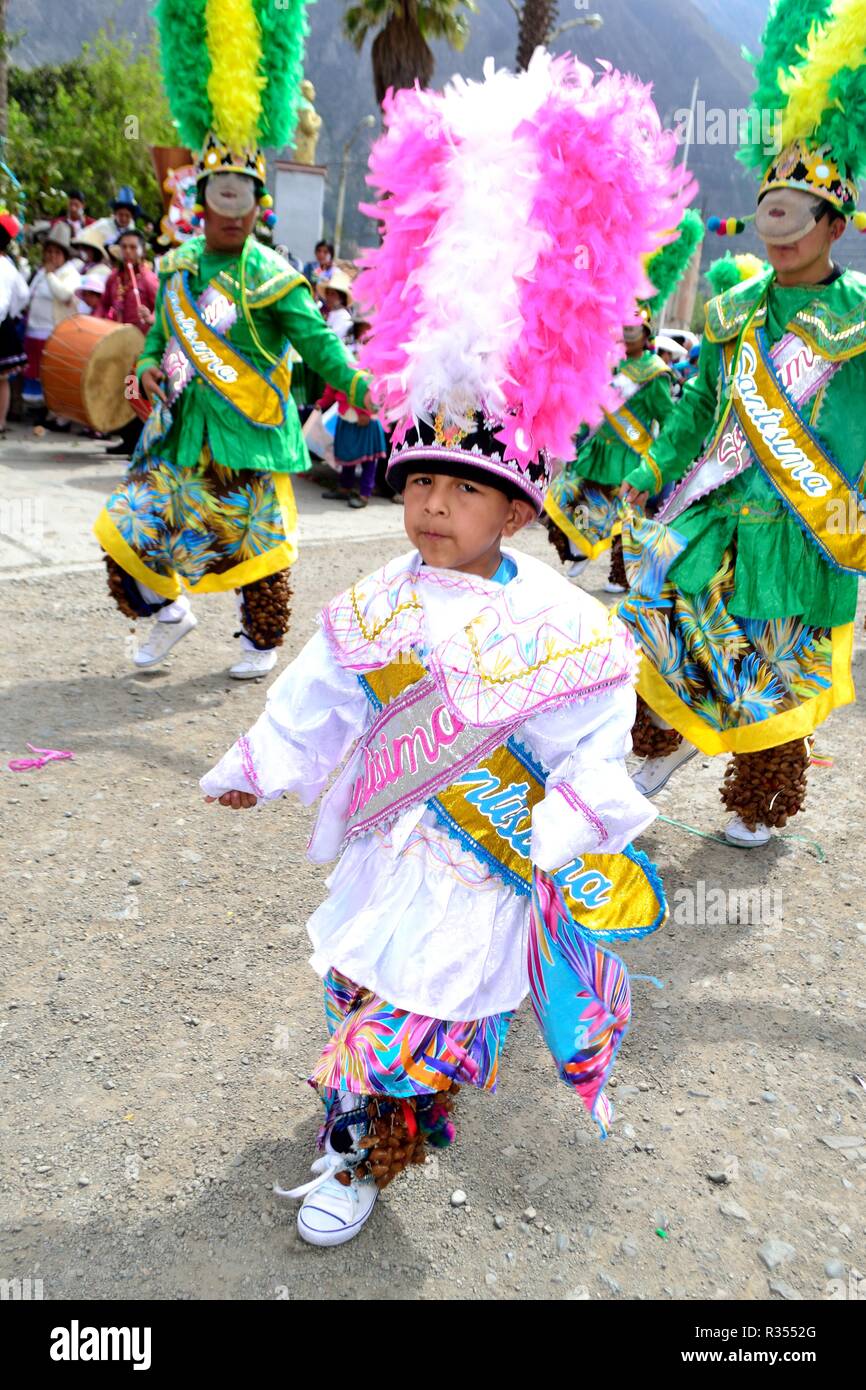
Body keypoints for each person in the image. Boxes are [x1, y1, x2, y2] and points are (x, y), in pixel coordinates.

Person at [199, 50, 690, 1247]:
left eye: (461, 489)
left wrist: (569, 819)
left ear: (514, 510)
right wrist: (261, 759)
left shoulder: (565, 626)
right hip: (388, 846)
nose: (430, 504)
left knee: (425, 1024)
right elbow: (319, 691)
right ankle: (364, 1120)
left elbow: (589, 739)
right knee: (363, 988)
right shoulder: (377, 595)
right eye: (418, 480)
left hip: (481, 866)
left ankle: (361, 1149)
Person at [616, 0, 866, 848]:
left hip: (803, 525)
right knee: (659, 614)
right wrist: (652, 471)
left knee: (776, 669)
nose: (779, 226)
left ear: (835, 225)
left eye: (800, 210)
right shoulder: (735, 310)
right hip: (720, 507)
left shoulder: (860, 318)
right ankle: (657, 746)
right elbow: (698, 408)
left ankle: (758, 801)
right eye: (770, 206)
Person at [93, 0, 370, 681]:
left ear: (257, 202)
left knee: (253, 549)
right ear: (202, 197)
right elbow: (159, 340)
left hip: (247, 430)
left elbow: (321, 347)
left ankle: (261, 640)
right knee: (129, 529)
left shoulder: (275, 277)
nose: (230, 207)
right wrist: (149, 366)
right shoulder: (178, 267)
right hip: (181, 429)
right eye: (219, 192)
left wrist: (365, 385)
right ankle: (167, 611)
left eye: (241, 194)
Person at [544, 210, 702, 595]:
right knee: (565, 498)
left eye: (634, 328)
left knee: (624, 522)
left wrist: (666, 453)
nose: (628, 333)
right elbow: (596, 403)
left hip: (630, 455)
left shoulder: (655, 373)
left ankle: (621, 575)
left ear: (646, 333)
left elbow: (670, 416)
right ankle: (579, 549)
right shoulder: (611, 363)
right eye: (624, 327)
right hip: (599, 449)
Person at [22, 224, 80, 416]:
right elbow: (29, 294)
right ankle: (36, 409)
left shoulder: (70, 273)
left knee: (50, 374)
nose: (52, 256)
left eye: (57, 252)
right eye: (49, 252)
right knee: (35, 373)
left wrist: (50, 275)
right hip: (34, 330)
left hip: (53, 331)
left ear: (64, 255)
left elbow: (64, 294)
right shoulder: (41, 272)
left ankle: (52, 413)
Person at [0, 215, 29, 435]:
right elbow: (23, 295)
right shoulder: (9, 266)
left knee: (2, 379)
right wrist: (12, 311)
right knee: (2, 379)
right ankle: (0, 422)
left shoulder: (7, 265)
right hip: (4, 324)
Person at [321, 269, 353, 341]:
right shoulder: (332, 314)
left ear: (341, 297)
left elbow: (331, 339)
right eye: (327, 293)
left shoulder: (343, 317)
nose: (328, 297)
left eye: (332, 294)